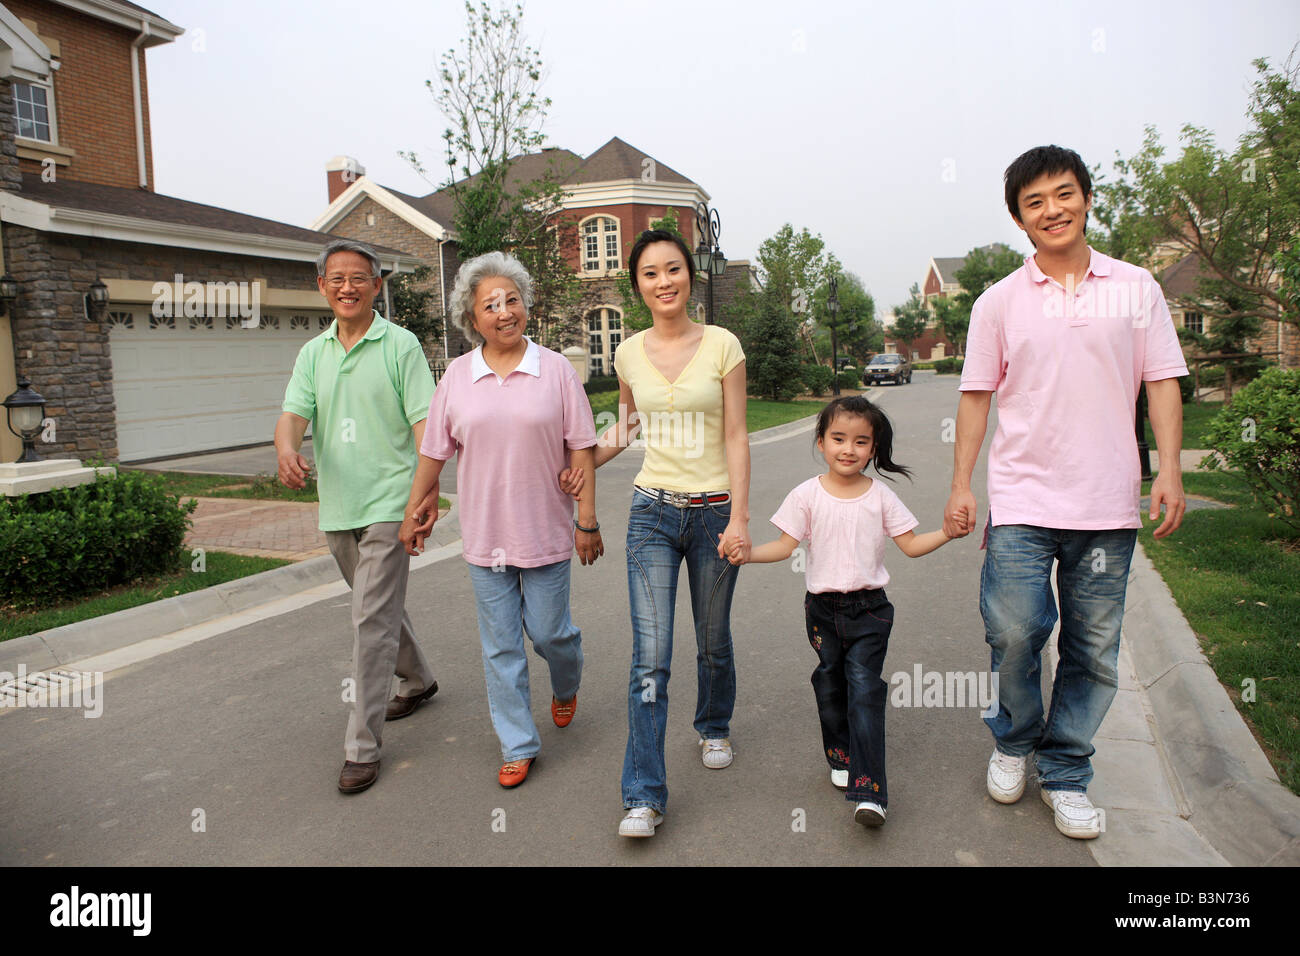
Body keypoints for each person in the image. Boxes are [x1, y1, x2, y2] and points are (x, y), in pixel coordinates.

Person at [944, 145, 1188, 839]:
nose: (1053, 209)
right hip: (1022, 500)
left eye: (1063, 193)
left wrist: (1168, 468)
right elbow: (975, 399)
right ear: (1020, 219)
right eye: (1035, 202)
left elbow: (1162, 381)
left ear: (1085, 197)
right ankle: (1016, 739)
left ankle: (1066, 768)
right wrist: (962, 484)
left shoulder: (1137, 287)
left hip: (1107, 504)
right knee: (1015, 632)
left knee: (1092, 646)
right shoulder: (997, 303)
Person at [400, 251, 600, 789]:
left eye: (512, 300)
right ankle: (517, 742)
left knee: (550, 632)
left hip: (545, 530)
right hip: (485, 535)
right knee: (501, 644)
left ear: (525, 307)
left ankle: (566, 679)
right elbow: (434, 452)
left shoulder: (555, 369)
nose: (504, 311)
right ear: (473, 317)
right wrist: (417, 508)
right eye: (491, 304)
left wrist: (587, 518)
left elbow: (581, 446)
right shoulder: (458, 379)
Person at [587, 228, 750, 838]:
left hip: (714, 512)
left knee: (712, 638)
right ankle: (644, 795)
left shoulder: (723, 345)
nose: (664, 281)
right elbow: (625, 426)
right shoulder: (628, 353)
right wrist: (579, 461)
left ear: (690, 275)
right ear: (638, 285)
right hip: (652, 513)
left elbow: (737, 434)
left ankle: (712, 724)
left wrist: (740, 515)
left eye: (673, 269)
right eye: (651, 273)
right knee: (650, 656)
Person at [729, 396, 954, 826]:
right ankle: (841, 752)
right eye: (838, 438)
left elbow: (909, 545)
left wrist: (946, 532)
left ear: (873, 449)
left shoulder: (881, 497)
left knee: (865, 689)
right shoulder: (806, 495)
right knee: (831, 684)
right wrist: (746, 555)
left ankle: (870, 792)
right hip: (822, 612)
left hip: (871, 612)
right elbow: (782, 546)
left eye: (861, 441)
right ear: (820, 442)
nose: (848, 449)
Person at [276, 238, 441, 794]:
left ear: (377, 286)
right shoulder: (312, 353)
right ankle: (417, 679)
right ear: (322, 286)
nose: (348, 287)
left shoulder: (401, 345)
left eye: (359, 278)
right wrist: (286, 450)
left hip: (392, 504)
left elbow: (428, 431)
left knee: (368, 618)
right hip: (339, 506)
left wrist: (424, 500)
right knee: (377, 607)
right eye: (337, 278)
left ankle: (361, 746)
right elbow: (293, 416)